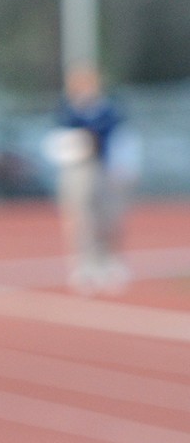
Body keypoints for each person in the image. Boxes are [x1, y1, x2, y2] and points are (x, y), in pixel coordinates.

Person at [47, 62, 137, 294]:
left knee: (109, 218)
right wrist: (77, 147)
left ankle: (110, 261)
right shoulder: (67, 112)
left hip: (105, 169)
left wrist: (124, 167)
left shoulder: (110, 111)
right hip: (79, 171)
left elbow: (123, 140)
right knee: (81, 219)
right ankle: (85, 265)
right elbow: (55, 143)